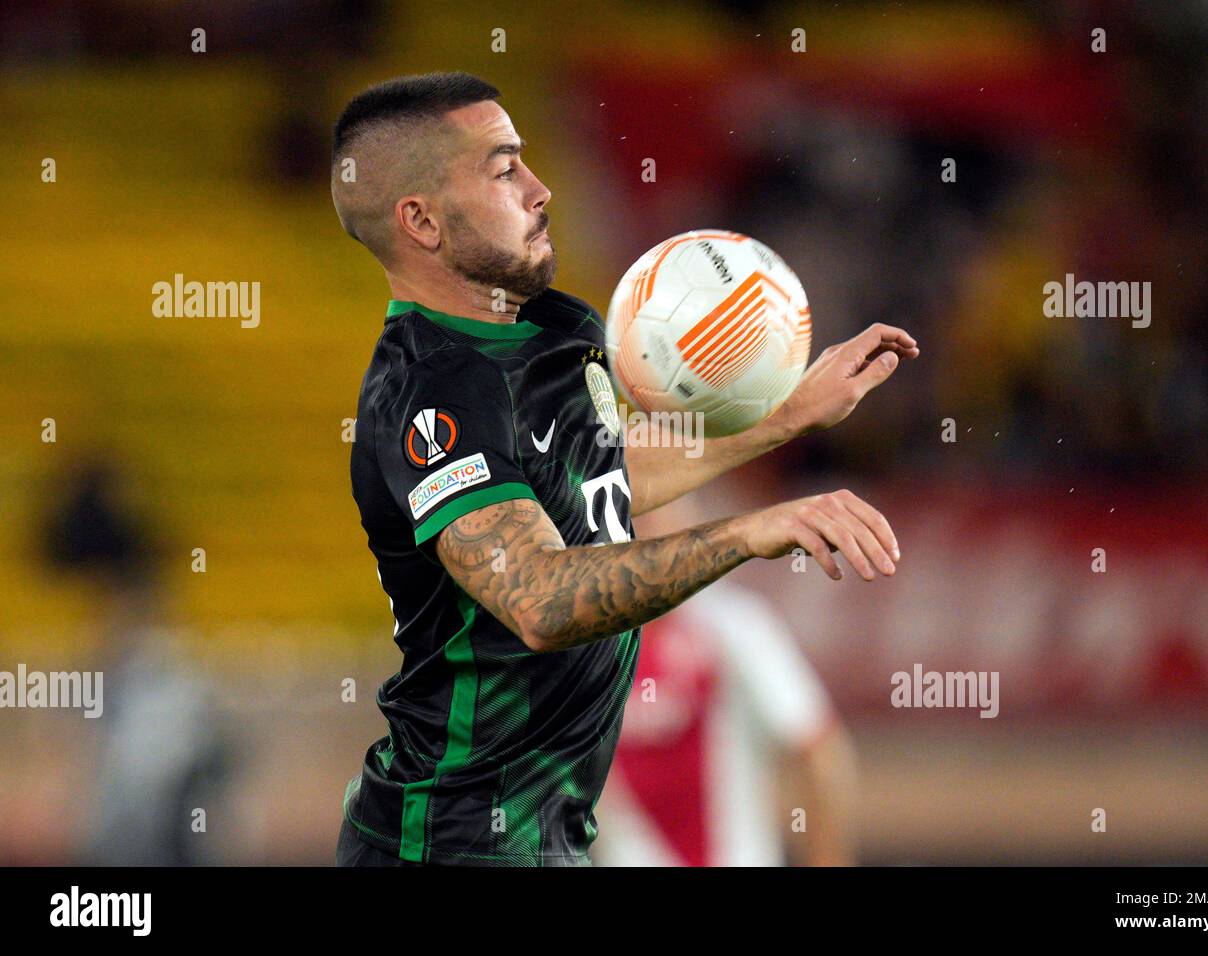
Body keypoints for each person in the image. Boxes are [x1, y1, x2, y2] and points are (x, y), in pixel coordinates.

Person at [330, 71, 918, 866]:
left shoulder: (548, 335)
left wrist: (782, 419)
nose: (541, 191)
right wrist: (744, 533)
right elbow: (541, 597)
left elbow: (598, 484)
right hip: (450, 844)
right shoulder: (432, 394)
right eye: (504, 170)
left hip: (544, 839)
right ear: (422, 221)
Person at [594, 496, 859, 867]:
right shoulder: (584, 646)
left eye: (656, 514)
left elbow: (817, 749)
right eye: (634, 518)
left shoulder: (735, 626)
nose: (644, 531)